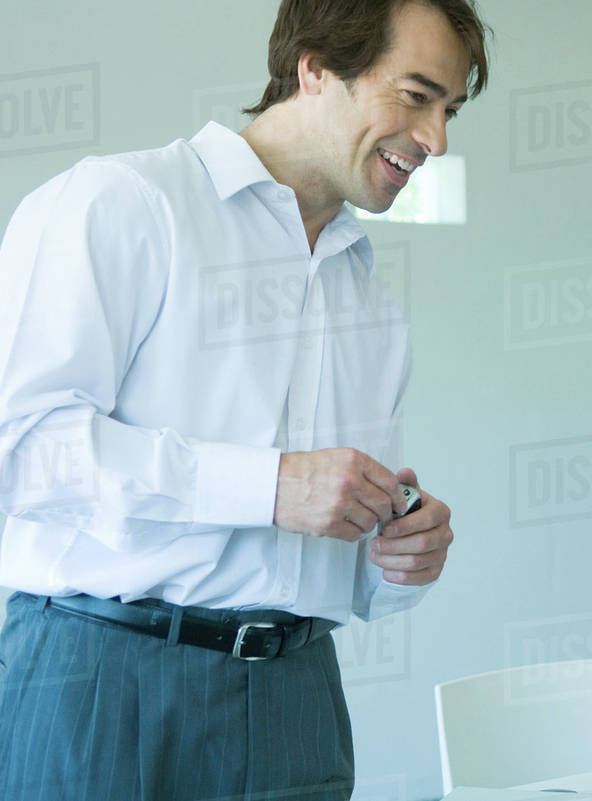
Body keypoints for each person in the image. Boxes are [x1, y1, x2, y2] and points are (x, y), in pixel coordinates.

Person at [0, 2, 488, 799]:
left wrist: (400, 556)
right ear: (316, 66)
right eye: (416, 96)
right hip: (99, 681)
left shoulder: (370, 300)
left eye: (451, 110)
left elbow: (346, 568)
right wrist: (268, 485)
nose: (437, 139)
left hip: (298, 701)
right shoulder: (123, 203)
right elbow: (20, 451)